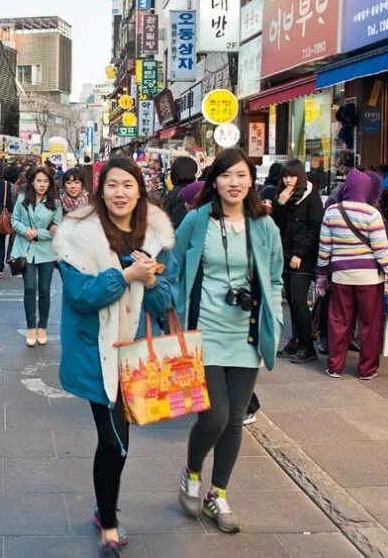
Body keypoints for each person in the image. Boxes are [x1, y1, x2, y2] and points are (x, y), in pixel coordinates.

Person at [54, 157, 178, 558]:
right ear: (100, 190)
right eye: (112, 185)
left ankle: (103, 505)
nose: (120, 193)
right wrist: (125, 276)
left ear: (140, 190)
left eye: (128, 185)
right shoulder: (77, 236)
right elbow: (81, 296)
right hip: (96, 352)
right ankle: (107, 520)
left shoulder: (156, 235)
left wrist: (151, 278)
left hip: (137, 357)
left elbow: (166, 302)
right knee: (113, 441)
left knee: (118, 442)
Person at [170, 148, 283, 534]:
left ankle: (218, 494)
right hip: (205, 331)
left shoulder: (264, 225)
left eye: (241, 175)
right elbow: (173, 264)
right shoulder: (197, 219)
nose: (234, 183)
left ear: (250, 181)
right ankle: (192, 472)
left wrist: (274, 318)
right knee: (214, 415)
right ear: (213, 181)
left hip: (246, 334)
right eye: (226, 175)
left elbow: (275, 278)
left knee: (235, 420)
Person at [316, 169, 388, 379]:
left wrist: (320, 275)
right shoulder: (372, 214)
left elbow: (324, 248)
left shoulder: (331, 212)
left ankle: (335, 366)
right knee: (370, 324)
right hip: (369, 279)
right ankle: (367, 369)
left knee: (339, 322)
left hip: (341, 277)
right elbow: (381, 252)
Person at [272, 160, 324, 363]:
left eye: (292, 176)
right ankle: (295, 342)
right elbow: (276, 225)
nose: (288, 180)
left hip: (304, 257)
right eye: (285, 176)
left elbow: (314, 228)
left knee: (299, 300)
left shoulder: (312, 197)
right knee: (292, 301)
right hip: (285, 254)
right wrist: (280, 204)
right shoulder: (283, 196)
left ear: (300, 176)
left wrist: (300, 253)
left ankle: (308, 346)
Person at [11, 166, 63, 346]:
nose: (42, 184)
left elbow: (58, 227)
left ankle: (42, 327)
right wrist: (25, 231)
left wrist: (38, 233)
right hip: (25, 250)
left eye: (45, 181)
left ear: (50, 183)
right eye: (39, 181)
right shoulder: (22, 199)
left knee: (45, 290)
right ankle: (31, 327)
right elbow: (14, 220)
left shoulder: (55, 203)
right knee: (30, 288)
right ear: (32, 182)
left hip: (47, 251)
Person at [164, 156, 197, 229]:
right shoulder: (186, 193)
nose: (196, 175)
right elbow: (181, 224)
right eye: (195, 172)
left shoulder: (174, 191)